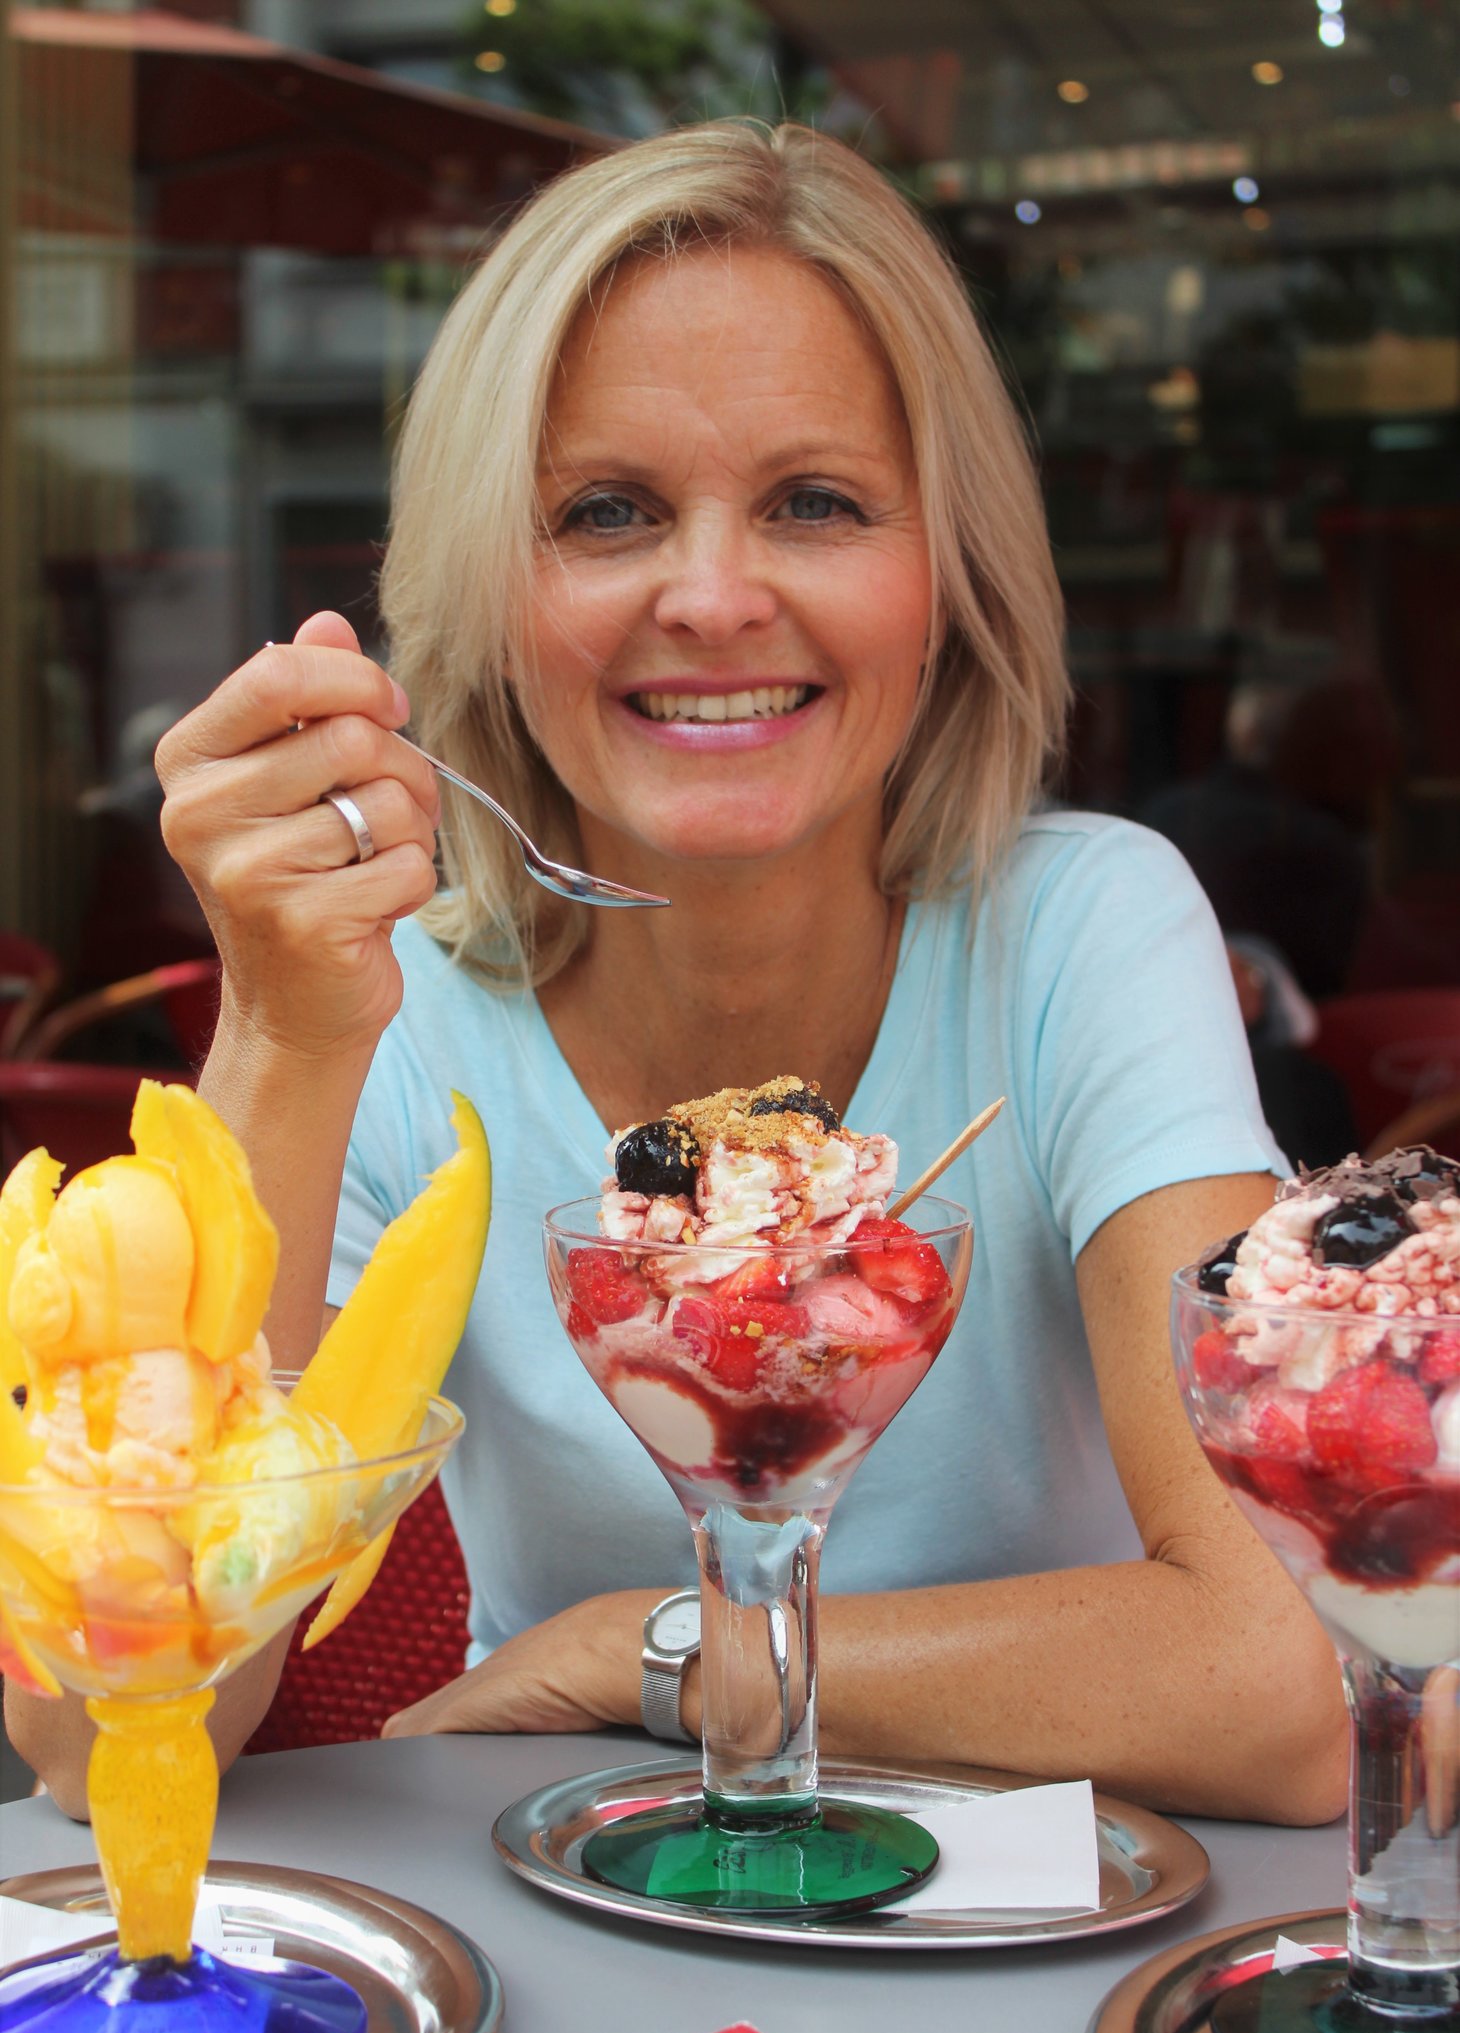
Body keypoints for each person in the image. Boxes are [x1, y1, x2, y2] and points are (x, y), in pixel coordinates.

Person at [9, 121, 1346, 1827]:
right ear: (490, 589)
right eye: (607, 511)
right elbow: (111, 1728)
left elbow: (1287, 1669)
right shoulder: (400, 1005)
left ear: (948, 578)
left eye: (816, 502)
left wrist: (635, 1650)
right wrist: (281, 1022)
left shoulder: (1081, 934)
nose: (713, 598)